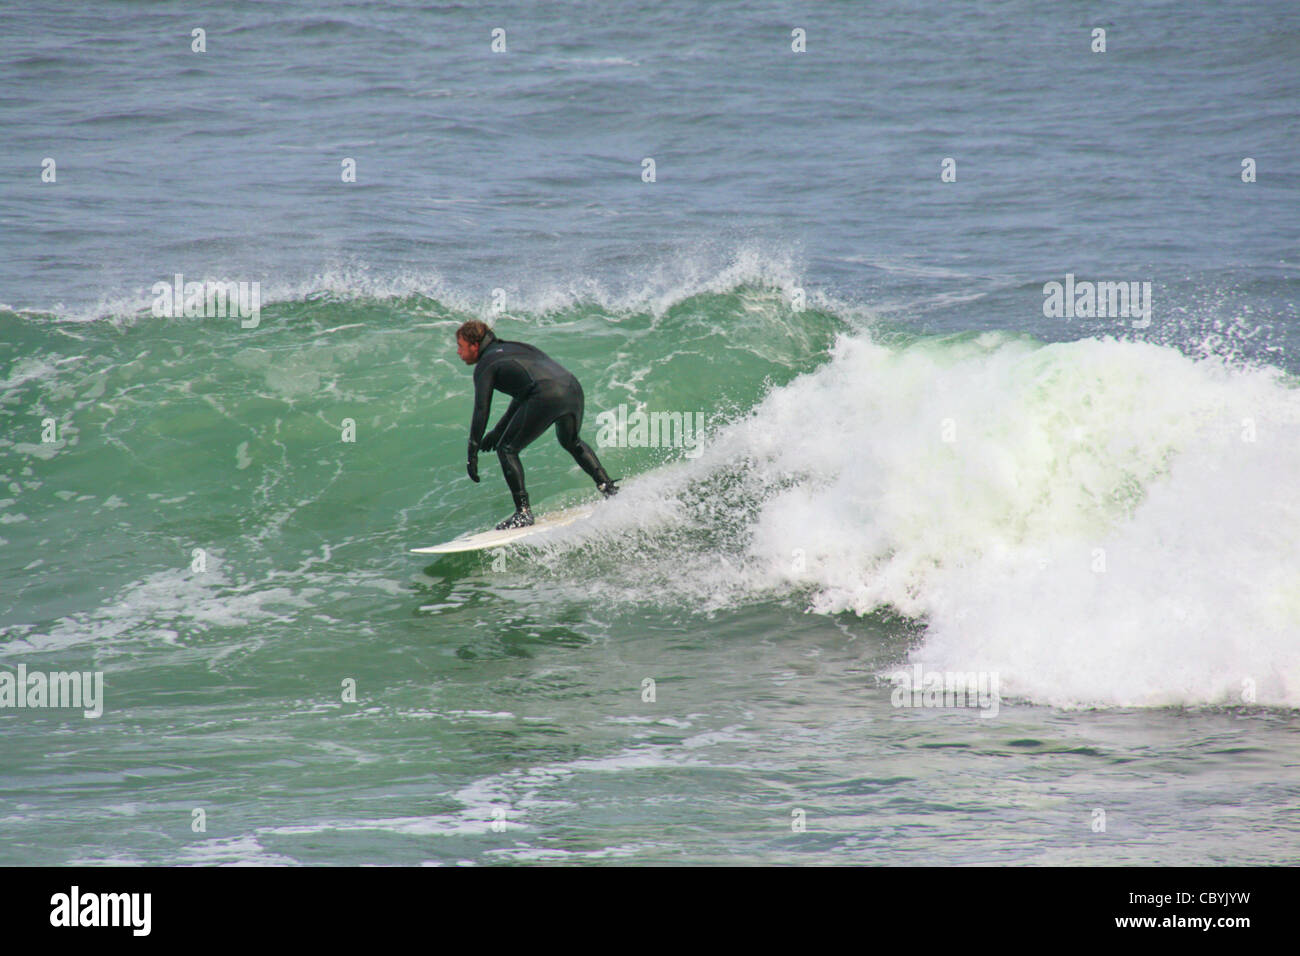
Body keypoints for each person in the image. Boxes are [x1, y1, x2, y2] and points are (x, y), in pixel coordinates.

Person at [456, 320, 618, 529]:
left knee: (507, 450)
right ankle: (609, 489)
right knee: (571, 441)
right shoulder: (517, 347)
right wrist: (497, 431)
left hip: (546, 395)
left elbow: (481, 410)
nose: (459, 352)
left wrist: (472, 451)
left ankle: (523, 513)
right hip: (571, 387)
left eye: (461, 346)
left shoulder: (485, 365)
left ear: (474, 345)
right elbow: (525, 391)